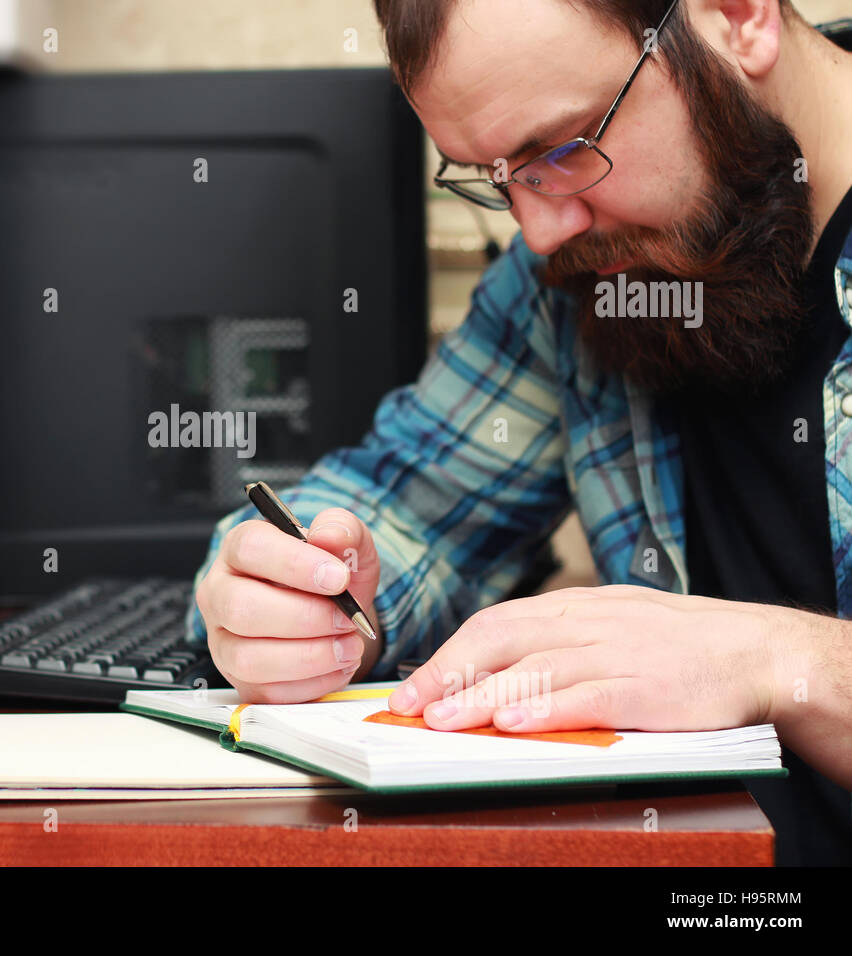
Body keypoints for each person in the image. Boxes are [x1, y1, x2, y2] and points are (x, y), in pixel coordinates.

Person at [186, 0, 852, 865]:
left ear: (738, 16)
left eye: (566, 150)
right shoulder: (582, 272)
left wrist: (773, 662)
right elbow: (403, 506)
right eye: (496, 178)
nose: (539, 232)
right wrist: (299, 601)